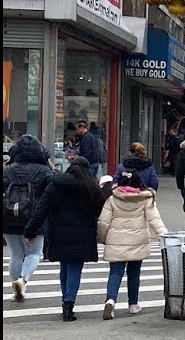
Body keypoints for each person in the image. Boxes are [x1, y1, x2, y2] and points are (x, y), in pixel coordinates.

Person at [23, 157, 104, 321]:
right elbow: (101, 209)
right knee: (75, 268)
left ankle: (64, 302)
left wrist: (30, 231)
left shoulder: (56, 185)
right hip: (82, 233)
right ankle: (69, 304)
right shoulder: (90, 187)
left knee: (65, 266)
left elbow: (42, 209)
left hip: (59, 232)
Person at [98, 170, 167, 319]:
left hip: (116, 241)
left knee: (115, 273)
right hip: (137, 241)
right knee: (134, 273)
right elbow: (155, 220)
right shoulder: (146, 199)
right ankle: (133, 304)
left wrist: (103, 238)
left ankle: (110, 300)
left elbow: (103, 223)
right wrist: (164, 235)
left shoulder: (112, 199)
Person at [3, 135, 55, 302]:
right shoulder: (44, 170)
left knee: (16, 254)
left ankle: (15, 285)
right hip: (33, 217)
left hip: (8, 215)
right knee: (34, 253)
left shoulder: (8, 170)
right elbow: (53, 189)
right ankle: (22, 281)